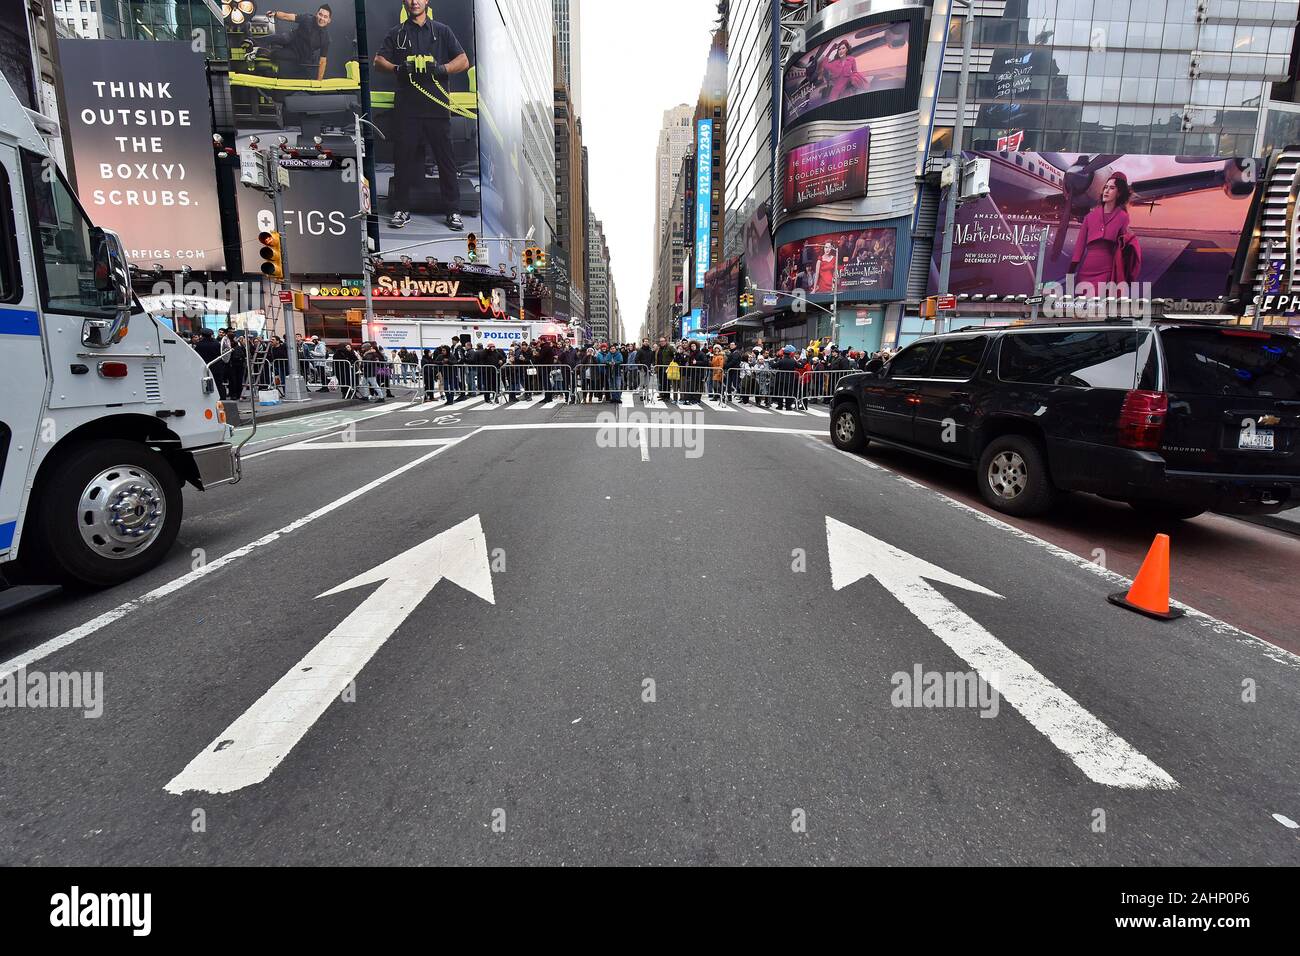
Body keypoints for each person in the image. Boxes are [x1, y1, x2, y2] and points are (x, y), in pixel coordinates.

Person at [375, 0, 471, 232]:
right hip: (407, 109)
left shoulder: (442, 31)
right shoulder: (397, 33)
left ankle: (453, 211)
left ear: (426, 1)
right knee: (404, 160)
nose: (414, 1)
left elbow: (463, 61)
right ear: (405, 3)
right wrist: (397, 68)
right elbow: (379, 61)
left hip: (437, 109)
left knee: (445, 162)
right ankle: (401, 209)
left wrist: (441, 69)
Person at [1068, 171, 1141, 295]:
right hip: (1085, 270)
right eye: (1105, 187)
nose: (1106, 191)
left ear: (1119, 193)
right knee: (1081, 307)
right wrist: (1072, 269)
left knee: (1097, 307)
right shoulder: (1089, 217)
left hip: (1106, 270)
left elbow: (1124, 244)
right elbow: (1079, 246)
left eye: (1112, 188)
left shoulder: (1123, 217)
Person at [256, 5, 333, 82]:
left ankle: (261, 53)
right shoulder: (307, 18)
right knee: (282, 38)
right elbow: (288, 17)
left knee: (276, 55)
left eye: (325, 17)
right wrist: (275, 14)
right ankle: (252, 42)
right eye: (320, 15)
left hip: (298, 53)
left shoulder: (325, 39)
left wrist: (319, 81)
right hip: (291, 38)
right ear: (317, 14)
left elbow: (322, 61)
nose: (321, 18)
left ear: (329, 20)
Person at [193, 328, 223, 398]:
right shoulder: (217, 344)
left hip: (205, 367)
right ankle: (221, 398)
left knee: (207, 384)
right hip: (217, 367)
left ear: (202, 335)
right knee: (218, 384)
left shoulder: (199, 345)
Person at [653, 336, 676, 402]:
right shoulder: (659, 348)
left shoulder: (670, 347)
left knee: (666, 383)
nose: (662, 342)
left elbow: (675, 354)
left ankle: (667, 396)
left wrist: (671, 363)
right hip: (660, 368)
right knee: (661, 382)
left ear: (665, 341)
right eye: (660, 341)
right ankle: (662, 395)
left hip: (667, 368)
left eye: (663, 341)